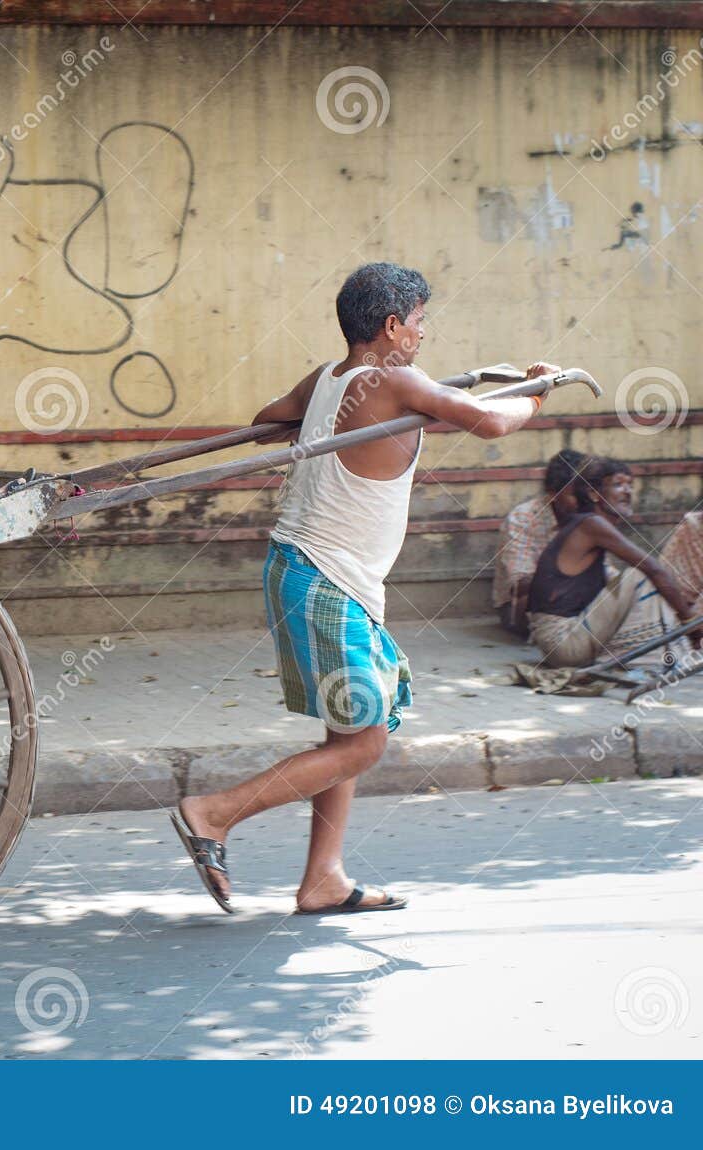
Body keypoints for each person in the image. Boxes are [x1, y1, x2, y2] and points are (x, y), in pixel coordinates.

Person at [170, 262, 562, 916]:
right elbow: (492, 424)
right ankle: (212, 813)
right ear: (390, 325)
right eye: (419, 321)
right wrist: (540, 391)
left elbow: (270, 418)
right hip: (325, 582)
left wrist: (327, 424)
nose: (423, 333)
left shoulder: (326, 379)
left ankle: (322, 878)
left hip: (306, 572)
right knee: (365, 740)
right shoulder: (399, 380)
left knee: (345, 729)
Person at [526, 456, 699, 667]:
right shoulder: (591, 525)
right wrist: (689, 620)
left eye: (630, 485)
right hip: (562, 643)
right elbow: (652, 568)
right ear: (593, 493)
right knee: (639, 575)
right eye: (618, 484)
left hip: (564, 642)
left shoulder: (586, 525)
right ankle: (649, 658)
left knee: (640, 584)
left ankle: (654, 653)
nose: (627, 492)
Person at [492, 449, 589, 636]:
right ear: (553, 493)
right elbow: (519, 585)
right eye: (575, 495)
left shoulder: (590, 515)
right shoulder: (523, 518)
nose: (584, 501)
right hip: (521, 605)